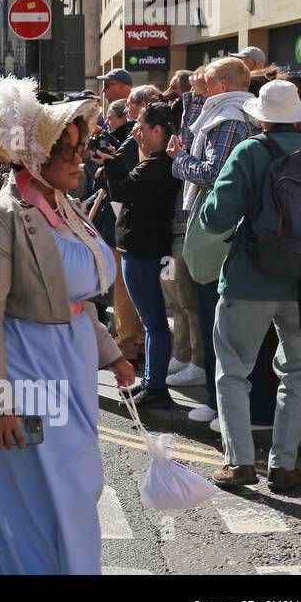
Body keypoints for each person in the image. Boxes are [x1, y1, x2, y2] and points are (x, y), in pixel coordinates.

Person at [0, 76, 134, 574]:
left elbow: (73, 296)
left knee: (61, 491)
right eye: (68, 150)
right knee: (37, 499)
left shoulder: (65, 205)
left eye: (82, 146)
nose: (81, 157)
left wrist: (110, 352)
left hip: (64, 361)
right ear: (34, 156)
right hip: (16, 366)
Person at [199, 80, 301, 493]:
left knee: (233, 373)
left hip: (250, 280)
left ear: (259, 117)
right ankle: (285, 465)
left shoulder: (249, 152)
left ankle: (240, 462)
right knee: (298, 376)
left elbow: (214, 219)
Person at [167, 57, 254, 429]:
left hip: (219, 229)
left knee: (218, 318)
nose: (198, 83)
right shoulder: (219, 112)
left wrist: (179, 160)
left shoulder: (229, 118)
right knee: (212, 316)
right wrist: (192, 98)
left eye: (205, 80)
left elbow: (214, 172)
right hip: (216, 227)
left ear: (221, 85)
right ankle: (219, 403)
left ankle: (225, 408)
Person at [99, 101, 183, 408]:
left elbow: (121, 190)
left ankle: (156, 387)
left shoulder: (156, 166)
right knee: (153, 323)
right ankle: (152, 382)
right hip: (149, 250)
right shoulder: (161, 162)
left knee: (154, 324)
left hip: (143, 252)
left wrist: (109, 161)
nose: (139, 133)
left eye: (143, 129)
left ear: (157, 130)